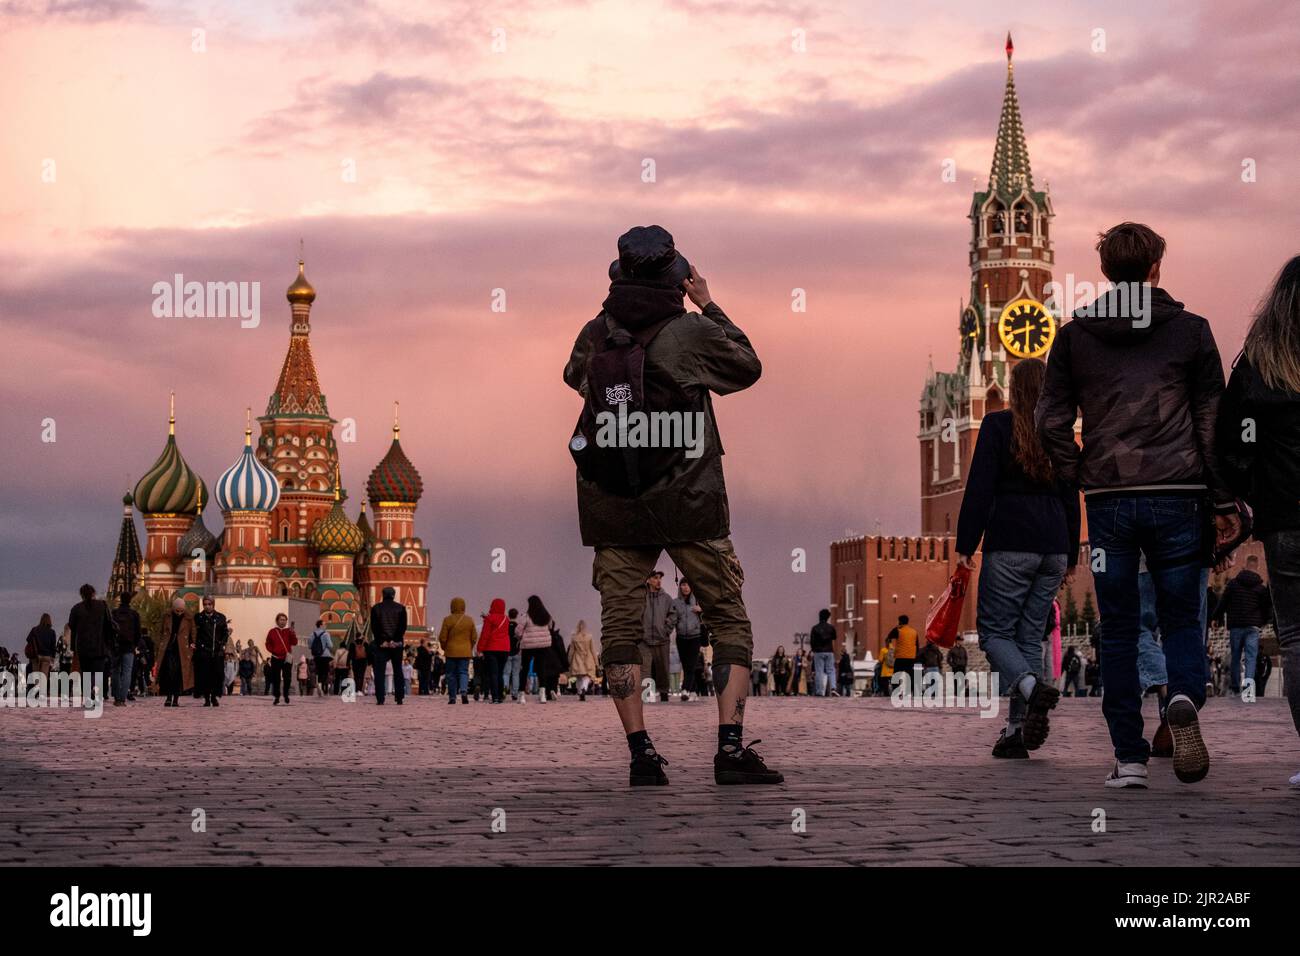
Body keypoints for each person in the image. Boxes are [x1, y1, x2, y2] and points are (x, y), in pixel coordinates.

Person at [563, 225, 781, 785]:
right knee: (728, 617)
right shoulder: (689, 331)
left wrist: (615, 327)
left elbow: (574, 377)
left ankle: (641, 756)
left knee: (619, 632)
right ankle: (730, 752)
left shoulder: (596, 331)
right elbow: (748, 366)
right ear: (677, 278)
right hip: (689, 498)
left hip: (613, 503)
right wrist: (708, 304)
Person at [1038, 221, 1239, 788]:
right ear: (1156, 269)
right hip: (1181, 497)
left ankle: (1128, 760)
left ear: (1105, 271)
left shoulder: (1075, 336)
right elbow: (1211, 422)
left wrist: (1080, 473)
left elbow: (1049, 420)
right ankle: (1182, 699)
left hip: (1109, 505)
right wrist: (1221, 497)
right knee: (1182, 617)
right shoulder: (1192, 332)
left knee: (1120, 628)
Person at [959, 357, 1079, 759]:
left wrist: (965, 544)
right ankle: (1015, 731)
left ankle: (1030, 688)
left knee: (994, 634)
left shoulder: (997, 426)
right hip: (1054, 547)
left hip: (1011, 543)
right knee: (1030, 638)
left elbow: (979, 488)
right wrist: (1072, 553)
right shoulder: (1060, 432)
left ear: (1013, 389)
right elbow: (1069, 495)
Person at [1217, 253, 1300, 784]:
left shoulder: (1259, 363)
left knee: (1295, 639)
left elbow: (1235, 444)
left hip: (1287, 519)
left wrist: (1244, 501)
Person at [1212, 555, 1272, 695]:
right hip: (1253, 627)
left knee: (1236, 657)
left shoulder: (1233, 584)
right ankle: (1248, 690)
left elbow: (1223, 602)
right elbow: (1265, 608)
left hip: (1236, 626)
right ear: (1256, 567)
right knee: (1251, 658)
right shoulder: (1260, 588)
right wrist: (1263, 622)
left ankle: (1235, 688)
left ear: (1245, 566)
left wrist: (1215, 617)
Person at [66, 584, 115, 705]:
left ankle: (88, 696)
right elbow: (109, 623)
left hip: (83, 646)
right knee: (97, 672)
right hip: (99, 645)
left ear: (81, 595)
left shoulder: (76, 608)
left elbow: (71, 625)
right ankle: (94, 691)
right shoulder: (102, 605)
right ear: (93, 593)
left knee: (86, 672)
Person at [640, 571, 676, 702]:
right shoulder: (641, 597)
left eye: (660, 578)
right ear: (648, 580)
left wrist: (666, 629)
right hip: (644, 640)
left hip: (662, 639)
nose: (658, 580)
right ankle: (646, 695)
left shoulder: (667, 598)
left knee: (663, 669)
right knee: (645, 669)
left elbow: (673, 615)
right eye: (655, 578)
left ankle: (664, 693)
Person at [370, 586, 409, 705]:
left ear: (382, 594)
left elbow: (375, 627)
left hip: (381, 645)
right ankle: (399, 697)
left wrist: (383, 641)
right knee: (398, 671)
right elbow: (402, 627)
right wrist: (394, 640)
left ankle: (380, 698)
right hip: (396, 645)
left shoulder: (376, 608)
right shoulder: (401, 608)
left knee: (379, 671)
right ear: (393, 595)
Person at [517, 596, 557, 703]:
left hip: (528, 646)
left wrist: (521, 636)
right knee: (541, 669)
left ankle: (521, 695)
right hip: (543, 646)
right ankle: (542, 694)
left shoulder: (526, 616)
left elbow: (518, 631)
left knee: (524, 669)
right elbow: (550, 627)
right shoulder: (547, 616)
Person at [156, 596, 194, 707]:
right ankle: (168, 697)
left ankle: (176, 699)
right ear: (173, 609)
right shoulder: (167, 616)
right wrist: (161, 644)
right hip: (169, 648)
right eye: (177, 611)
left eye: (181, 611)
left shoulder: (188, 618)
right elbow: (161, 631)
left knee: (179, 675)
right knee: (169, 674)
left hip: (182, 650)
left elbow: (193, 633)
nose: (179, 613)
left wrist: (192, 645)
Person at [670, 578, 705, 701]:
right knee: (686, 666)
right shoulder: (675, 603)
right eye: (683, 585)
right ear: (680, 587)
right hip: (681, 638)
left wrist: (701, 610)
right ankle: (694, 691)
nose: (685, 587)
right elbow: (672, 619)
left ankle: (685, 689)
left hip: (695, 637)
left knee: (691, 665)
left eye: (688, 585)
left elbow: (709, 613)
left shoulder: (698, 601)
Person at [192, 595, 229, 707]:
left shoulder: (220, 617)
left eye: (209, 604)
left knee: (217, 675)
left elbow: (225, 633)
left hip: (216, 651)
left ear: (213, 604)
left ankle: (214, 696)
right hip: (203, 652)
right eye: (205, 604)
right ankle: (206, 698)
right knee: (204, 675)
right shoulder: (199, 617)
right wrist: (196, 644)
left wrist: (221, 644)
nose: (207, 606)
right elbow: (194, 633)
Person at [478, 599, 511, 703]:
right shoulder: (506, 619)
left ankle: (495, 696)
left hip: (491, 648)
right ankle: (501, 696)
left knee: (493, 673)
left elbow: (485, 635)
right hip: (504, 648)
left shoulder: (490, 618)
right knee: (500, 673)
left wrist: (480, 648)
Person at [265, 613, 298, 705]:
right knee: (276, 678)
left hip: (287, 658)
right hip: (276, 657)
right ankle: (277, 696)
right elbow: (268, 643)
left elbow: (294, 642)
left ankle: (286, 694)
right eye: (281, 619)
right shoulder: (272, 631)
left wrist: (292, 632)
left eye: (284, 620)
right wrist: (273, 650)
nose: (283, 621)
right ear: (277, 621)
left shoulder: (289, 631)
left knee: (287, 677)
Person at [810, 609, 838, 697]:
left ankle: (819, 691)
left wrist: (814, 649)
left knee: (819, 671)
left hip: (818, 652)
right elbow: (834, 638)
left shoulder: (815, 628)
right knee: (831, 670)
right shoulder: (831, 627)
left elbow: (812, 641)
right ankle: (833, 688)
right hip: (829, 651)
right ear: (828, 617)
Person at [567, 620, 599, 701]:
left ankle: (580, 691)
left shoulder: (574, 637)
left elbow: (571, 651)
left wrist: (569, 661)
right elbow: (593, 650)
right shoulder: (589, 637)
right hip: (588, 658)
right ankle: (584, 688)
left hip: (577, 658)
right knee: (587, 676)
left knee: (579, 677)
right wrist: (596, 662)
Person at [889, 616, 920, 692]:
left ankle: (896, 690)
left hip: (900, 657)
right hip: (911, 657)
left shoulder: (898, 630)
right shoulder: (914, 632)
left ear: (900, 622)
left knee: (897, 674)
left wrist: (897, 626)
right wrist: (915, 656)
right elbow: (917, 645)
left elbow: (889, 636)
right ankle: (912, 690)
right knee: (910, 674)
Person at [25, 613, 58, 679]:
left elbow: (28, 639)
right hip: (46, 656)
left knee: (36, 678)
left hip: (36, 656)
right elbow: (53, 646)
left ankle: (36, 688)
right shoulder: (52, 632)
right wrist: (53, 657)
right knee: (43, 678)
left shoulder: (34, 629)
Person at [309, 620, 333, 697]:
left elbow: (310, 646)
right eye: (324, 624)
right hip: (325, 655)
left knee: (319, 671)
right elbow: (330, 645)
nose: (325, 625)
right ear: (321, 625)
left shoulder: (312, 634)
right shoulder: (326, 634)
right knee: (325, 671)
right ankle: (323, 687)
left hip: (317, 656)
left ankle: (319, 683)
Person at [502, 608, 522, 701]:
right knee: (515, 674)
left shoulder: (505, 626)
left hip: (507, 652)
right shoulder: (518, 627)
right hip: (517, 652)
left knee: (506, 673)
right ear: (516, 615)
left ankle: (504, 690)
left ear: (508, 615)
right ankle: (515, 693)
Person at [347, 626, 368, 694]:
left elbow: (349, 654)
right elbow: (368, 652)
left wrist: (348, 663)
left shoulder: (352, 643)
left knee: (356, 676)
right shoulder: (365, 643)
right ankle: (360, 690)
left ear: (355, 637)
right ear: (361, 636)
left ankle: (356, 690)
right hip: (363, 661)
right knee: (361, 675)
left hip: (355, 661)